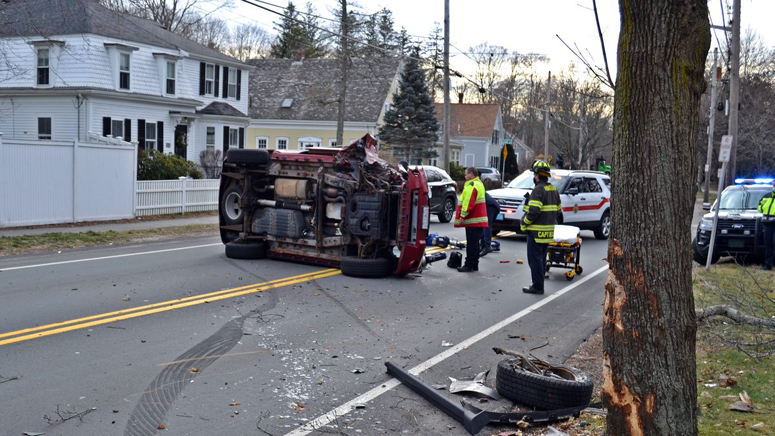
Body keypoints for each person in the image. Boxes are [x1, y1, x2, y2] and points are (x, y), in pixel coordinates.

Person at [521, 160, 561, 294]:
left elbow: (533, 211)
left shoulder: (538, 190)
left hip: (536, 232)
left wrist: (524, 223)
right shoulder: (553, 189)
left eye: (534, 174)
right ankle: (539, 283)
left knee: (534, 259)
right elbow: (559, 210)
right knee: (541, 258)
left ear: (537, 175)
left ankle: (537, 286)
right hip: (548, 231)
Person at [454, 167, 488, 272]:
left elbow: (468, 203)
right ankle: (474, 265)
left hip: (473, 220)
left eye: (466, 174)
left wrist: (462, 216)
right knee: (475, 244)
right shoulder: (479, 184)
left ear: (471, 174)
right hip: (479, 220)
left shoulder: (472, 185)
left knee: (471, 244)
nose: (465, 176)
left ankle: (468, 265)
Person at [480, 179, 501, 257]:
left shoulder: (476, 190)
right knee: (483, 225)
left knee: (486, 225)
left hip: (491, 206)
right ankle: (483, 245)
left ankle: (487, 245)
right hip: (491, 206)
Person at [758, 180, 775, 270]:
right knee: (768, 245)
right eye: (773, 185)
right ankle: (767, 265)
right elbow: (759, 207)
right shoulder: (767, 196)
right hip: (767, 224)